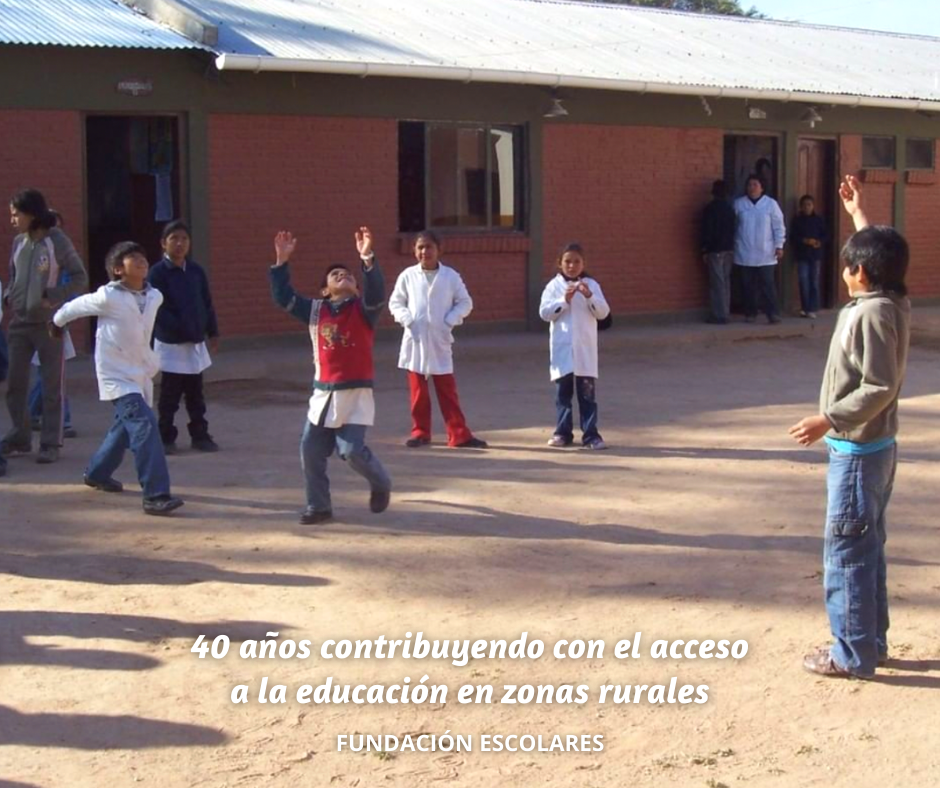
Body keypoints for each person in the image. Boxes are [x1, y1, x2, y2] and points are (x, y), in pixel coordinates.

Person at [789, 174, 910, 679]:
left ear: (858, 272)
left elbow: (879, 385)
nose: (842, 272)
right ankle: (869, 643)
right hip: (870, 450)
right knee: (865, 548)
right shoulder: (888, 298)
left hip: (859, 453)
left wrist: (828, 419)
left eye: (847, 265)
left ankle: (852, 654)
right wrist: (861, 215)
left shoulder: (873, 315)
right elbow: (880, 255)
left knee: (847, 554)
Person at [268, 227, 391, 525]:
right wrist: (281, 262)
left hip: (355, 394)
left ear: (357, 288)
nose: (342, 275)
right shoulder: (314, 311)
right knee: (310, 450)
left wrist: (366, 258)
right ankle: (319, 506)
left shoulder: (364, 311)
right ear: (324, 289)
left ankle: (380, 482)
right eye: (335, 274)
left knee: (351, 452)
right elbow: (283, 297)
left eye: (348, 274)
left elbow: (376, 293)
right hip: (323, 394)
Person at [51, 241, 184, 516]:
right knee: (145, 427)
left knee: (123, 429)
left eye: (142, 257)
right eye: (131, 258)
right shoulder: (108, 296)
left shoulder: (154, 296)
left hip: (141, 373)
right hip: (116, 375)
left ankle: (97, 473)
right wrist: (56, 322)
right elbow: (75, 306)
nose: (140, 261)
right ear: (117, 270)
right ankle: (156, 495)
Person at [3, 189, 87, 463]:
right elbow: (14, 276)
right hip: (19, 324)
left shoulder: (57, 241)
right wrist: (8, 296)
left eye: (17, 214)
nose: (13, 219)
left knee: (52, 386)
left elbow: (79, 277)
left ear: (32, 214)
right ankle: (20, 436)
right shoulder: (18, 242)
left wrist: (52, 297)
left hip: (49, 325)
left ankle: (51, 443)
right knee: (15, 384)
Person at [388, 231, 487, 449]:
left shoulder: (450, 276)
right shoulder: (407, 276)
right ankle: (420, 432)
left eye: (429, 247)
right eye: (420, 247)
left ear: (439, 250)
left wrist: (449, 321)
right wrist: (408, 320)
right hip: (415, 341)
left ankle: (459, 434)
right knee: (418, 393)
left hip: (439, 341)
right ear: (414, 251)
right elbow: (396, 303)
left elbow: (465, 302)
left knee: (447, 391)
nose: (425, 252)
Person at [148, 220, 220, 454]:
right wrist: (181, 330)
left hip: (195, 342)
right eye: (174, 239)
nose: (179, 244)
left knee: (195, 394)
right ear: (163, 243)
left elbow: (206, 303)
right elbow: (159, 309)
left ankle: (200, 435)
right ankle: (165, 436)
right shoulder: (157, 274)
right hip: (171, 344)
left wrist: (212, 331)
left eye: (184, 239)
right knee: (169, 394)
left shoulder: (196, 271)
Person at [539, 242, 610, 450]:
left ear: (583, 263)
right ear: (560, 264)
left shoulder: (592, 285)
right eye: (567, 262)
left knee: (587, 397)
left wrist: (589, 296)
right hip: (563, 352)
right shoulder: (553, 287)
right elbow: (544, 313)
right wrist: (564, 300)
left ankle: (591, 435)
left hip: (585, 352)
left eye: (576, 262)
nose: (572, 266)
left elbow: (603, 313)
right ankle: (562, 432)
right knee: (563, 396)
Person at [733, 175, 785, 324]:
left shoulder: (771, 204)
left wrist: (779, 245)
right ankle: (750, 313)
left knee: (767, 285)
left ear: (762, 187)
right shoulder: (739, 204)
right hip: (745, 251)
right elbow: (733, 226)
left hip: (766, 253)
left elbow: (778, 226)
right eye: (749, 184)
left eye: (755, 184)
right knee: (747, 285)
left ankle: (773, 313)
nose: (752, 187)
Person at [700, 180, 736, 324]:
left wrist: (704, 248)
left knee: (717, 283)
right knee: (726, 281)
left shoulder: (710, 209)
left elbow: (707, 231)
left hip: (715, 250)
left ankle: (719, 315)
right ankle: (725, 312)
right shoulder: (730, 209)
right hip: (729, 249)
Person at [790, 195, 829, 318]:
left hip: (815, 255)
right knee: (803, 281)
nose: (807, 207)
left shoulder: (818, 220)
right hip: (802, 255)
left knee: (814, 281)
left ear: (813, 206)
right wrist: (804, 241)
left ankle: (812, 308)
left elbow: (825, 235)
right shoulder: (797, 220)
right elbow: (793, 237)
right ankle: (804, 307)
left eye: (809, 204)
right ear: (801, 207)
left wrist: (818, 242)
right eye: (804, 205)